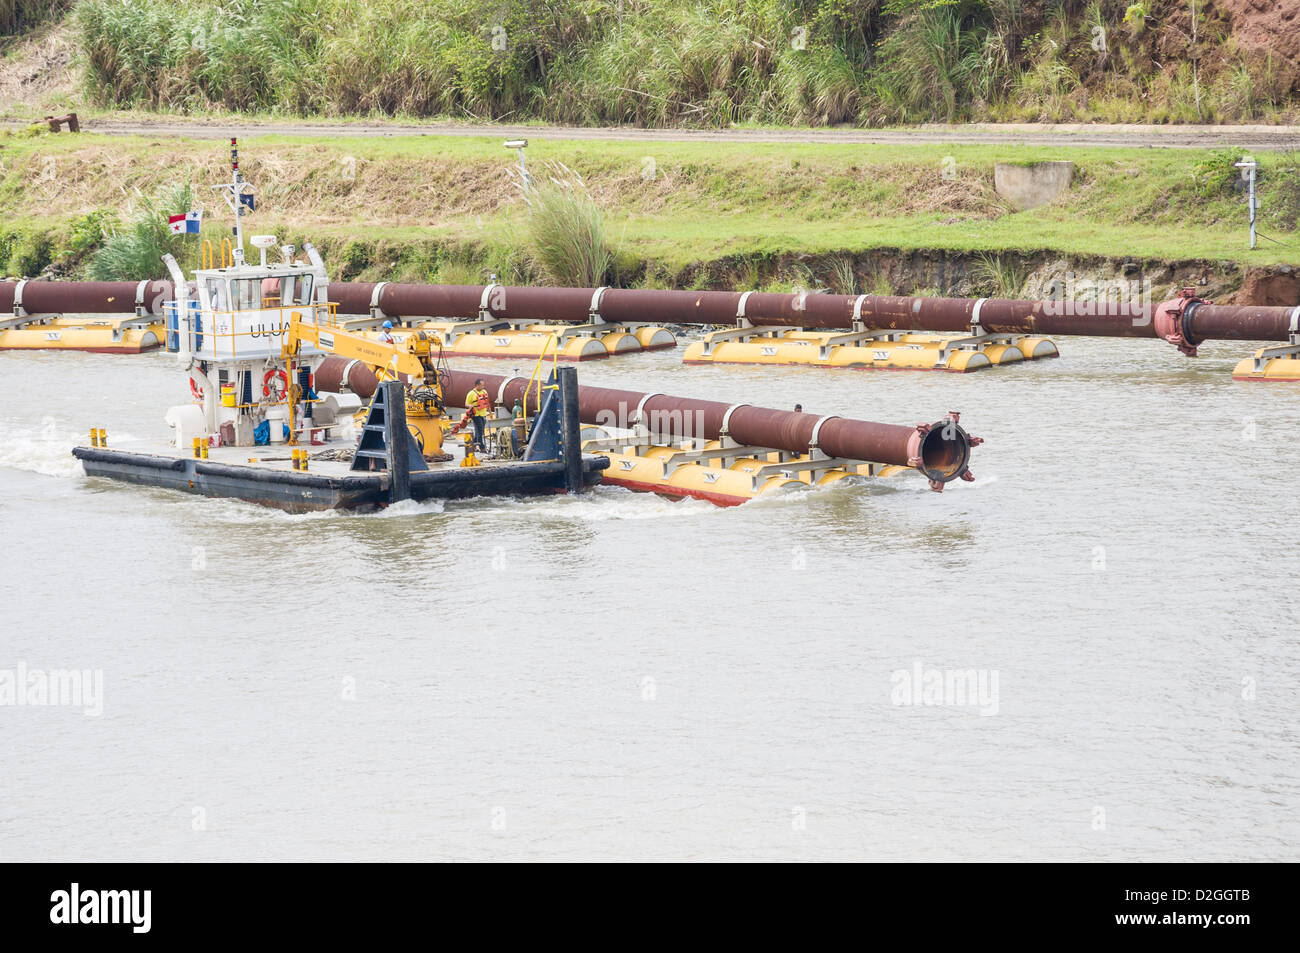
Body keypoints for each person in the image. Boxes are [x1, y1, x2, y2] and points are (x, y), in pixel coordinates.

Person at [466, 378, 492, 449]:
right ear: (477, 385)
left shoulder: (484, 391)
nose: (483, 387)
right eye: (482, 385)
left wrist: (490, 412)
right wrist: (470, 405)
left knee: (479, 430)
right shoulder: (471, 393)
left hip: (483, 414)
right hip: (476, 415)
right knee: (480, 430)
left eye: (483, 385)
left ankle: (474, 443)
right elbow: (466, 404)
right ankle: (481, 446)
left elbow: (487, 403)